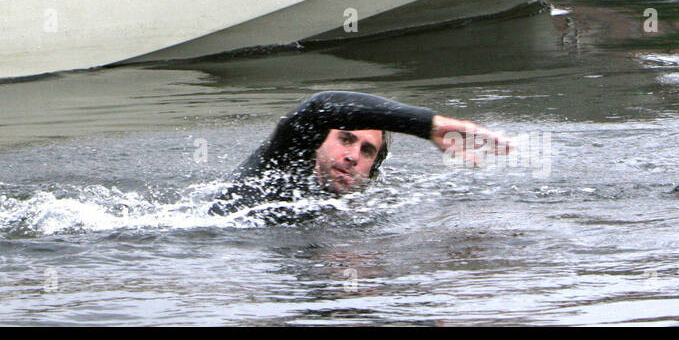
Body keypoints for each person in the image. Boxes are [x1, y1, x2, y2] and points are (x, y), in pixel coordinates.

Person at [209, 90, 511, 218]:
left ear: (372, 169)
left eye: (367, 151)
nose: (353, 156)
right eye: (345, 139)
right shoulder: (279, 171)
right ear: (317, 143)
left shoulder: (364, 208)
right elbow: (319, 107)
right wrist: (427, 125)